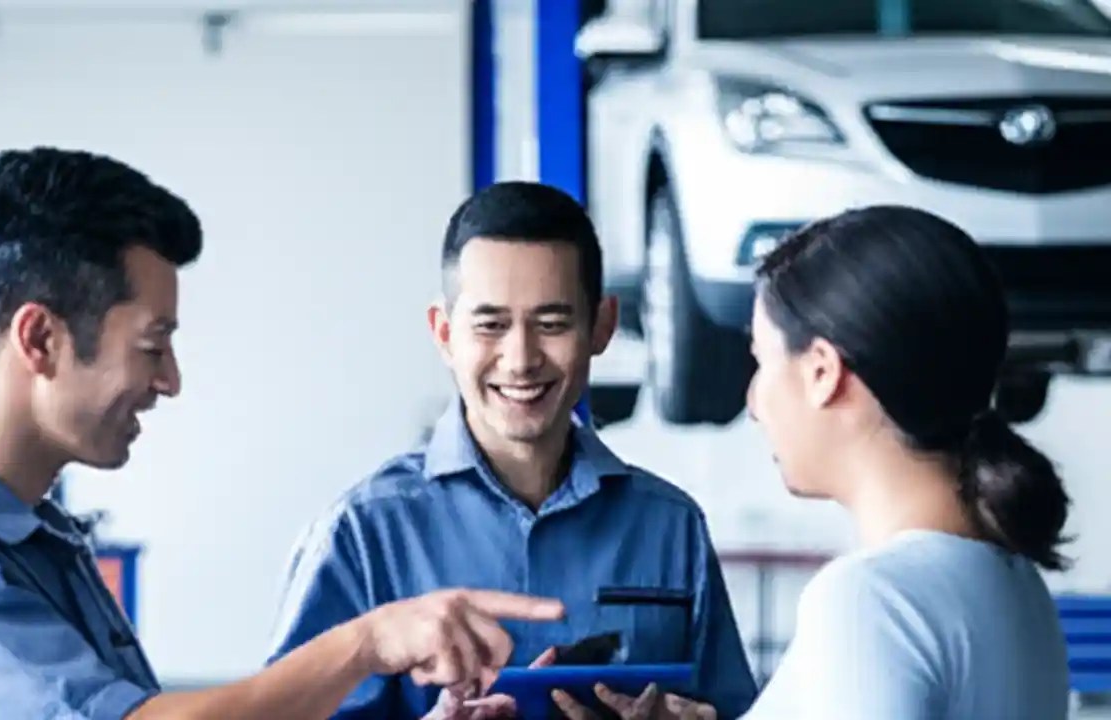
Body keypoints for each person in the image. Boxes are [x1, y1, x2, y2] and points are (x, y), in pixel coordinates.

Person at [0, 147, 566, 719]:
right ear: (41, 339)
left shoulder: (35, 541)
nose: (170, 380)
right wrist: (369, 642)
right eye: (152, 345)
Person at [264, 181, 758, 720]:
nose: (520, 359)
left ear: (603, 325)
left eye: (551, 324)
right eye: (491, 325)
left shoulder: (671, 527)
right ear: (444, 331)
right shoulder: (362, 534)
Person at [719, 205, 1071, 718]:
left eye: (762, 361)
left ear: (822, 371)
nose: (753, 402)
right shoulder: (1017, 584)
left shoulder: (871, 599)